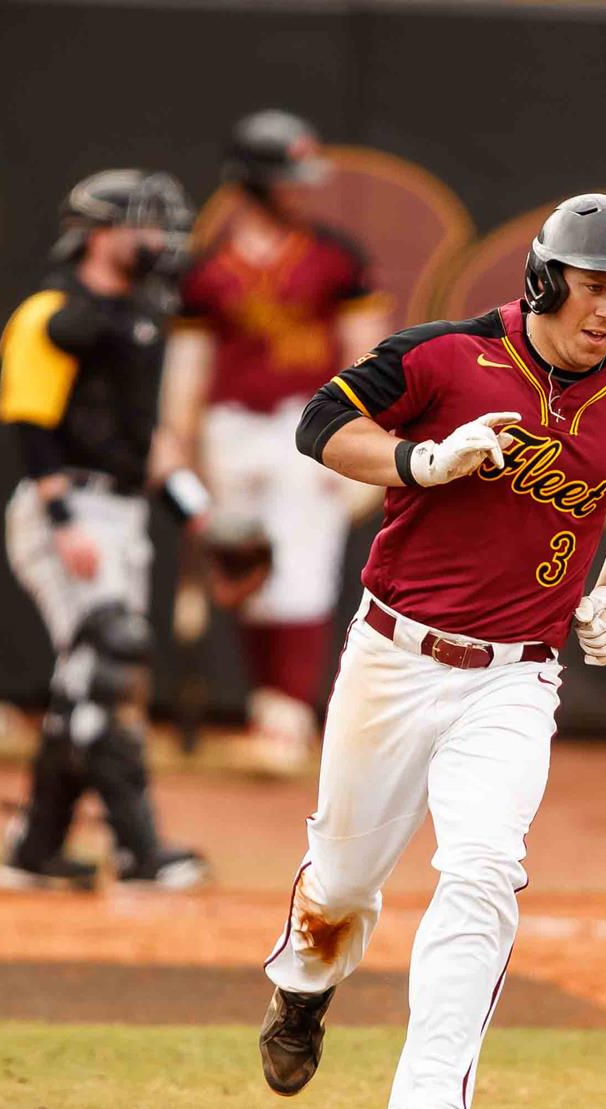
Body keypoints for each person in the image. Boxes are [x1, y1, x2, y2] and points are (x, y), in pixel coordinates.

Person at [255, 194, 606, 1109]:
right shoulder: (445, 356)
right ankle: (302, 984)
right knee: (342, 884)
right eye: (592, 287)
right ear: (545, 278)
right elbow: (321, 424)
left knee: (485, 867)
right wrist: (419, 457)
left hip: (514, 677)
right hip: (392, 654)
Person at [0, 170, 213, 892]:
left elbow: (140, 441)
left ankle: (34, 847)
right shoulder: (52, 313)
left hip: (123, 509)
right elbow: (30, 424)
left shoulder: (141, 319)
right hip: (68, 507)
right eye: (141, 224)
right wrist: (61, 522)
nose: (158, 240)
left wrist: (194, 512)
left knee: (86, 681)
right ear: (97, 233)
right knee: (108, 663)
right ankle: (140, 848)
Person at [159, 110, 390, 772]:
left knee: (301, 563)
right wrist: (180, 442)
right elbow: (188, 368)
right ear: (251, 181)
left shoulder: (336, 258)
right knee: (246, 567)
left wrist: (364, 434)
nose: (300, 189)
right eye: (288, 178)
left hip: (309, 422)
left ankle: (289, 714)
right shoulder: (205, 272)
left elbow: (368, 352)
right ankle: (270, 707)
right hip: (231, 428)